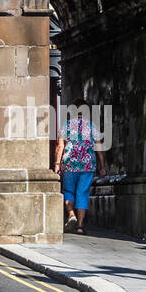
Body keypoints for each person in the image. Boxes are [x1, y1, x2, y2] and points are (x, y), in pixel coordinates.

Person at [54, 100, 97, 235]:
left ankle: (71, 214)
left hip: (70, 164)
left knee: (68, 191)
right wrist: (102, 166)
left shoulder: (66, 126)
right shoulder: (91, 126)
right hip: (87, 164)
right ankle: (79, 226)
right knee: (82, 193)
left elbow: (60, 146)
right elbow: (100, 147)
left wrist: (57, 164)